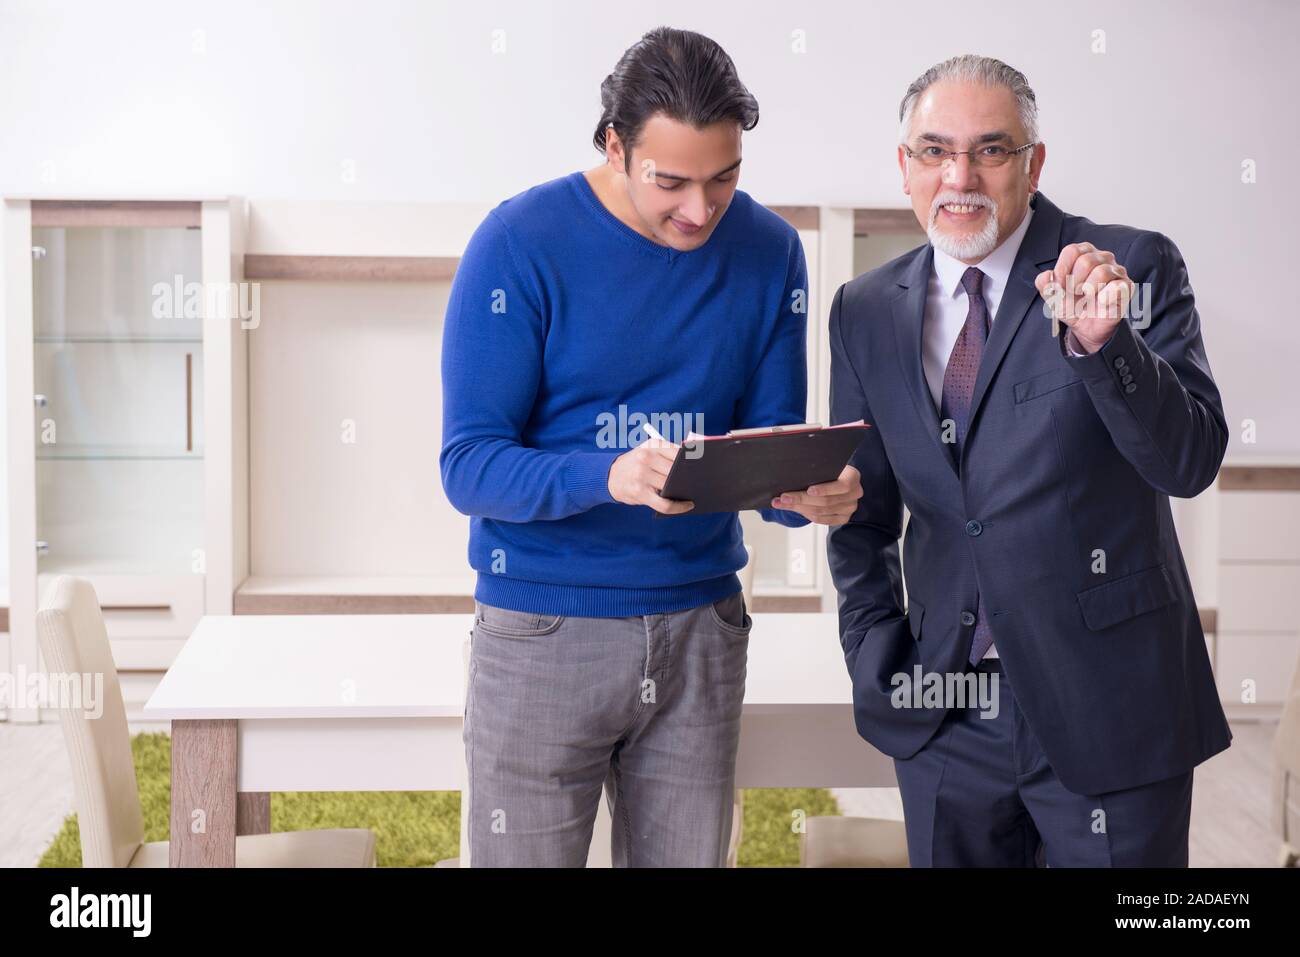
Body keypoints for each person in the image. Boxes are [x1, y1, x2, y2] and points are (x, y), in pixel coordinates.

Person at [440, 26, 863, 867]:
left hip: (700, 627)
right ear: (613, 145)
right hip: (541, 629)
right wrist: (611, 474)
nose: (700, 211)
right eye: (670, 182)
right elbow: (470, 464)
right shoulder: (520, 241)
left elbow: (769, 448)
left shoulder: (772, 250)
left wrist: (807, 495)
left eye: (723, 178)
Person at [827, 54, 1231, 866]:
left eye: (992, 150)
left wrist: (1105, 343)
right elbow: (859, 513)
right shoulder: (865, 308)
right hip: (946, 716)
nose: (960, 176)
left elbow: (1187, 461)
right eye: (934, 150)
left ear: (1033, 163)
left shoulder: (1128, 267)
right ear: (904, 166)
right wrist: (879, 655)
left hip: (1112, 712)